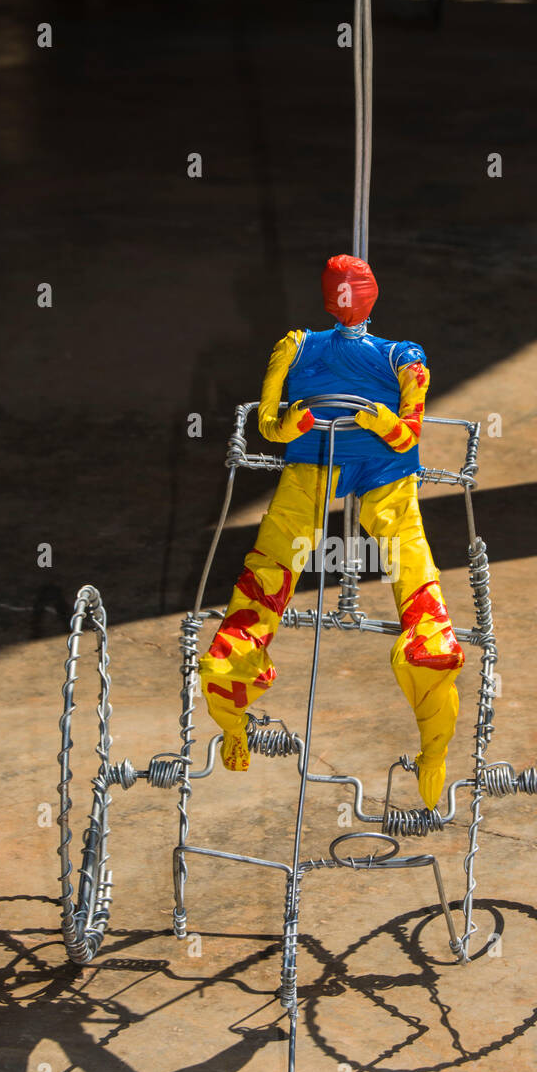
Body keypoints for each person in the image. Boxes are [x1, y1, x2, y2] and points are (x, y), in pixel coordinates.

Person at [199, 254, 464, 810]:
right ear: (333, 296)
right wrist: (294, 423)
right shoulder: (296, 347)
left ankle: (434, 749)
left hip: (382, 473)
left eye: (353, 290)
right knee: (261, 583)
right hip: (312, 465)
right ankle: (232, 717)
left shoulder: (403, 359)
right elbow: (268, 425)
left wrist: (375, 420)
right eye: (341, 291)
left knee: (419, 600)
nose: (347, 300)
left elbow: (406, 435)